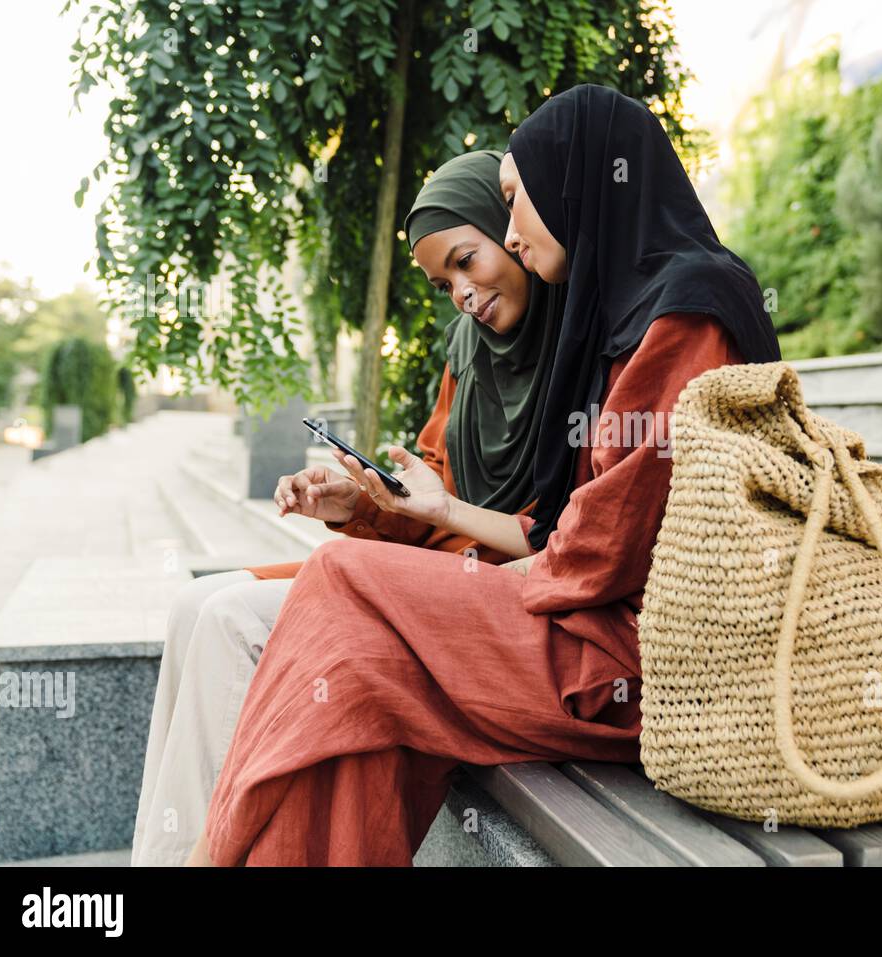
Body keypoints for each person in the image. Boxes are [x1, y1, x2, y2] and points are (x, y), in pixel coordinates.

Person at [188, 84, 782, 866]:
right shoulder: (621, 318)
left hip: (639, 666)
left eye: (514, 203)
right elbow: (566, 527)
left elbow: (597, 553)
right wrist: (439, 557)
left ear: (573, 181)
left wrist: (456, 583)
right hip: (586, 631)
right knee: (361, 674)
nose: (509, 231)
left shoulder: (687, 311)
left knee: (340, 584)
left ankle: (206, 857)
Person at [129, 149, 564, 866]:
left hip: (489, 597)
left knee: (232, 621)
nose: (461, 292)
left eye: (467, 260)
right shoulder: (472, 352)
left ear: (511, 228)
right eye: (441, 281)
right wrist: (355, 504)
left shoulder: (576, 350)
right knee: (193, 606)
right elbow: (435, 496)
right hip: (426, 571)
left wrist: (427, 517)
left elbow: (553, 530)